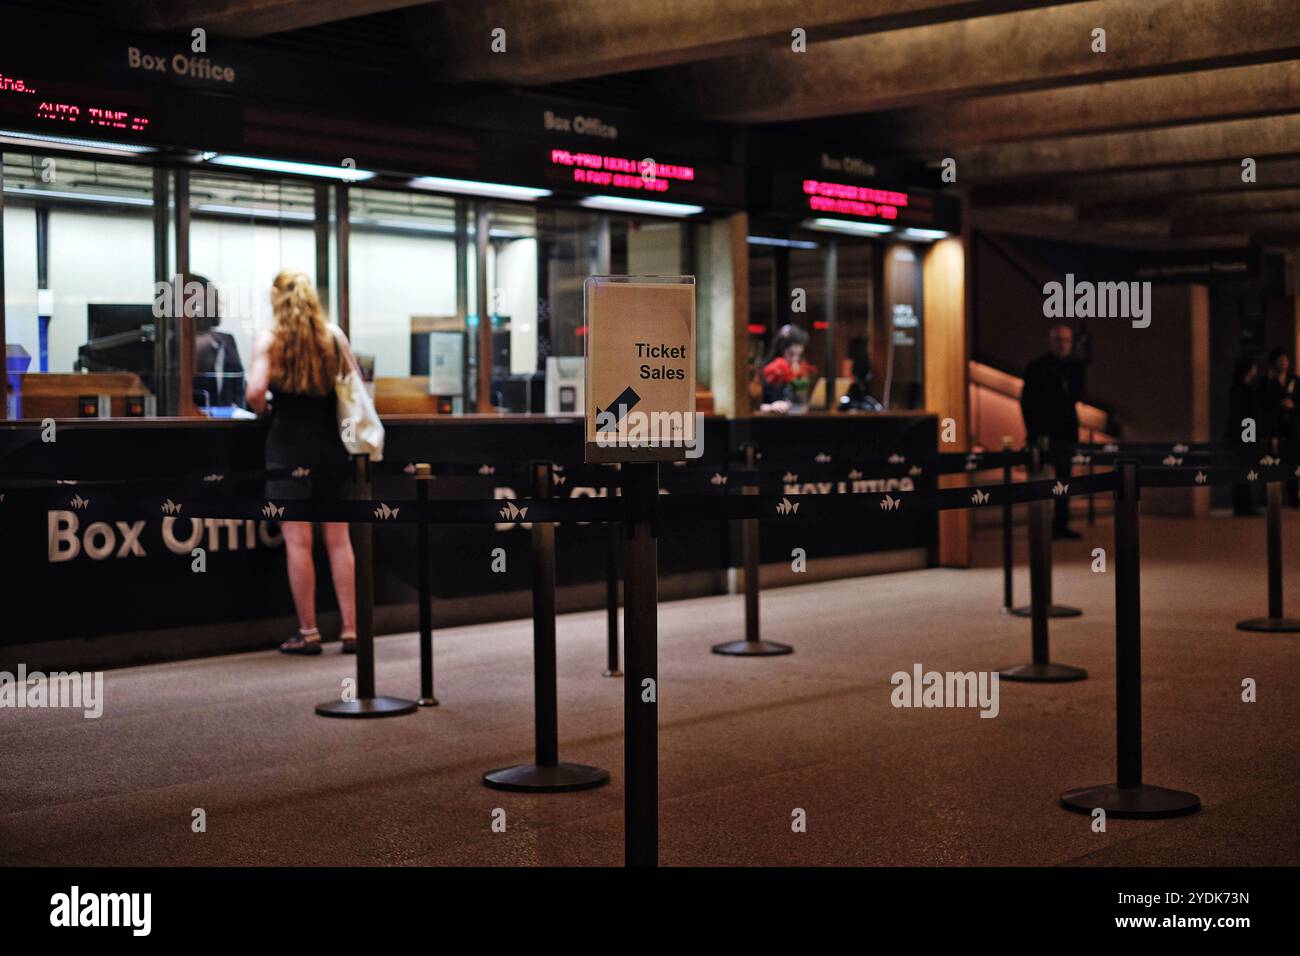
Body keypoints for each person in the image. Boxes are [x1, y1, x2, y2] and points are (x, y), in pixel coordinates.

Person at [245, 270, 358, 655]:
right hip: (331, 444)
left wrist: (267, 409)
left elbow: (255, 392)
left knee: (298, 541)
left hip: (288, 445)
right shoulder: (333, 336)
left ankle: (308, 632)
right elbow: (355, 384)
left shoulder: (271, 340)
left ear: (277, 300)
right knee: (339, 539)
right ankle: (350, 630)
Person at [1020, 323, 1086, 539]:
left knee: (1064, 479)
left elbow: (1076, 397)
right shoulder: (1037, 367)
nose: (1063, 345)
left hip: (1066, 432)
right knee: (1040, 479)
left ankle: (1060, 523)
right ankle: (1039, 523)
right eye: (1059, 340)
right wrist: (1034, 432)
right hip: (1043, 432)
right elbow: (1028, 402)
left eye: (1067, 341)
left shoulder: (1075, 368)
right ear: (1051, 342)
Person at [191, 274, 247, 411]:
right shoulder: (168, 346)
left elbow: (238, 390)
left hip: (222, 422)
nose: (202, 310)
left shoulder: (225, 341)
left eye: (207, 302)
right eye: (197, 303)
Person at [1259, 348, 1298, 507]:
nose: (1284, 362)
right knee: (1270, 462)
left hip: (1291, 428)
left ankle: (1293, 497)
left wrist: (1293, 405)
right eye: (1280, 359)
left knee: (1292, 462)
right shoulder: (1266, 381)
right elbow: (1261, 403)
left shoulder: (1294, 380)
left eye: (1285, 359)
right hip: (1273, 428)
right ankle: (1270, 499)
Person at [1228, 354, 1261, 516]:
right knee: (1244, 469)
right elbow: (1248, 415)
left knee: (1242, 469)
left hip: (1241, 434)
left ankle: (1242, 505)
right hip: (1245, 435)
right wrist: (1251, 436)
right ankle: (1243, 505)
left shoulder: (1237, 387)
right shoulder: (1245, 389)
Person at [760, 324, 817, 413]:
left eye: (799, 355)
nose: (795, 359)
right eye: (791, 354)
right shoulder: (765, 370)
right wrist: (770, 406)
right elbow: (751, 405)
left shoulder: (798, 371)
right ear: (780, 350)